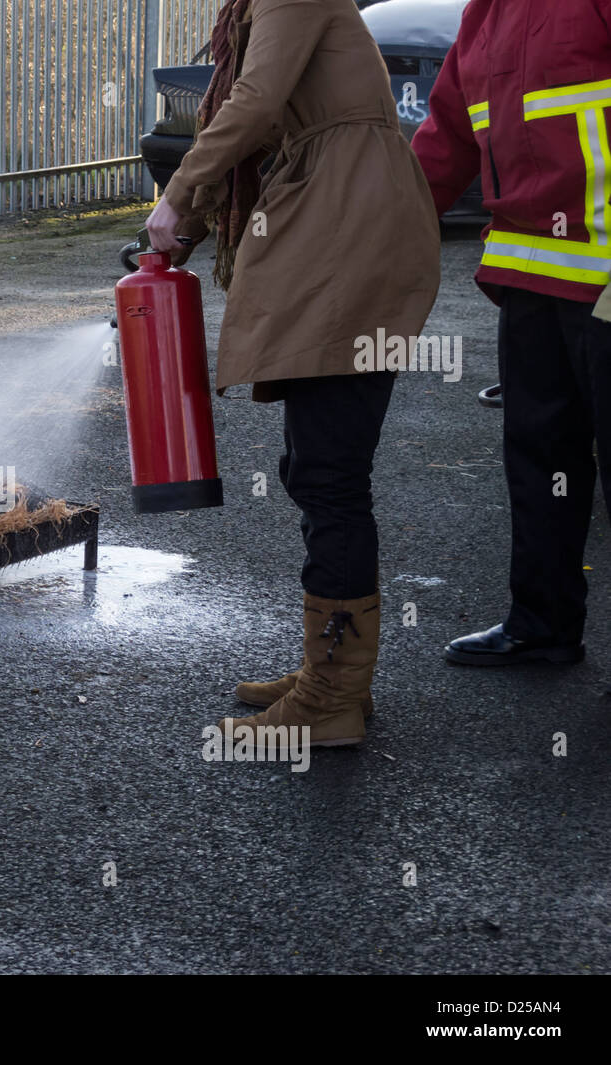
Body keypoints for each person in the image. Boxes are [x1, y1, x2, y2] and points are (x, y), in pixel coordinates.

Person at [145, 0, 441, 746]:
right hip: (338, 215)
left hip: (349, 225)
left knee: (330, 470)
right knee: (314, 464)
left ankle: (331, 698)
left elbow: (257, 99)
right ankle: (332, 674)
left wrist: (180, 193)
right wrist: (196, 219)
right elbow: (265, 122)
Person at [411, 0, 611, 670]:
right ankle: (543, 623)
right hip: (531, 273)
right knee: (540, 457)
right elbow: (446, 140)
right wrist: (382, 230)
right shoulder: (485, 14)